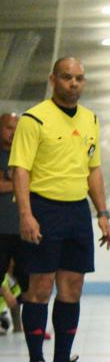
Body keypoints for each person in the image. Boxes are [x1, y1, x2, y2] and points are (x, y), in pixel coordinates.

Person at [9, 57, 110, 362]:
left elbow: (93, 169)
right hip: (44, 209)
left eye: (79, 78)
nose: (74, 84)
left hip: (77, 212)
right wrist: (26, 214)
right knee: (39, 288)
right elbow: (20, 170)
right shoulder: (34, 119)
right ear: (53, 79)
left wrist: (102, 213)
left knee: (72, 288)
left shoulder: (90, 119)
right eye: (67, 77)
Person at [0, 113, 29, 335]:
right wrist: (23, 185)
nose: (13, 133)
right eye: (9, 128)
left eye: (17, 128)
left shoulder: (26, 154)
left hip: (22, 230)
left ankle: (27, 327)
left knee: (27, 281)